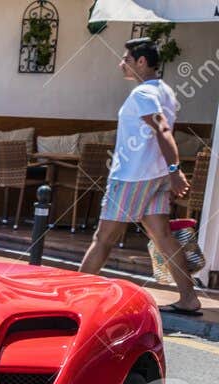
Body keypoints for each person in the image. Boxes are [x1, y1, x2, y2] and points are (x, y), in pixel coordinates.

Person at [81, 38, 202, 314]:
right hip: (155, 176)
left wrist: (175, 170)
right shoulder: (166, 91)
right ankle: (189, 298)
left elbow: (163, 130)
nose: (121, 64)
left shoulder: (142, 94)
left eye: (126, 59)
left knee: (103, 238)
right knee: (163, 237)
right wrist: (169, 172)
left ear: (141, 61)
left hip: (132, 176)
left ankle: (75, 295)